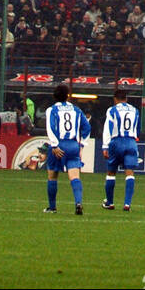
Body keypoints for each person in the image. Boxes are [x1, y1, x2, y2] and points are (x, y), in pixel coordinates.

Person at [44, 82, 90, 215]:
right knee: (75, 176)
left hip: (59, 145)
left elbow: (50, 128)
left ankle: (52, 208)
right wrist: (81, 145)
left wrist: (54, 145)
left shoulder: (52, 110)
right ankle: (78, 202)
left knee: (52, 176)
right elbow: (87, 127)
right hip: (73, 146)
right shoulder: (76, 109)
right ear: (67, 96)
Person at [102, 88, 141, 212]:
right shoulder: (135, 110)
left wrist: (105, 146)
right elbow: (138, 128)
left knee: (111, 173)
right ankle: (127, 204)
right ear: (126, 99)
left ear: (115, 99)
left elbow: (108, 128)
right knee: (129, 173)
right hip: (131, 141)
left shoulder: (112, 110)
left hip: (116, 141)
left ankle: (110, 202)